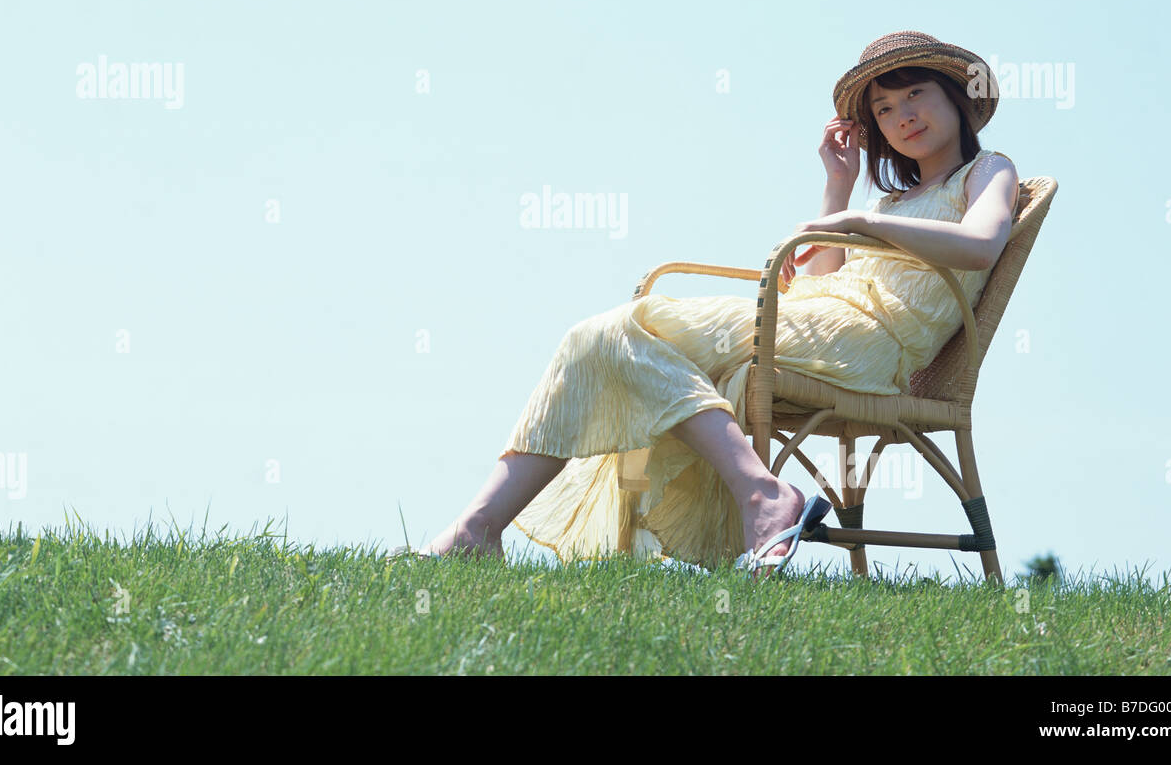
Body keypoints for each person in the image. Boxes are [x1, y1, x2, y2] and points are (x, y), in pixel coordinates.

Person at [410, 31, 1021, 576]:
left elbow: (982, 243)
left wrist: (860, 219)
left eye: (915, 94)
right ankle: (480, 528)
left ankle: (480, 530)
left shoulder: (986, 170)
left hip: (872, 347)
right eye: (885, 109)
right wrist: (840, 186)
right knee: (595, 339)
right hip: (820, 319)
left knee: (614, 335)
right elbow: (824, 268)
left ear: (956, 99)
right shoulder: (887, 203)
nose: (902, 115)